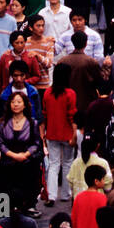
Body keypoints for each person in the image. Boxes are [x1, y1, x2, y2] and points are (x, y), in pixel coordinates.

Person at [40, 62, 77, 207]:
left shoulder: (48, 93)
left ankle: (52, 194)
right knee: (67, 163)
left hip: (52, 133)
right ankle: (66, 193)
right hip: (67, 133)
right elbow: (72, 116)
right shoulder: (70, 93)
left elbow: (44, 114)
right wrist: (74, 133)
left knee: (54, 164)